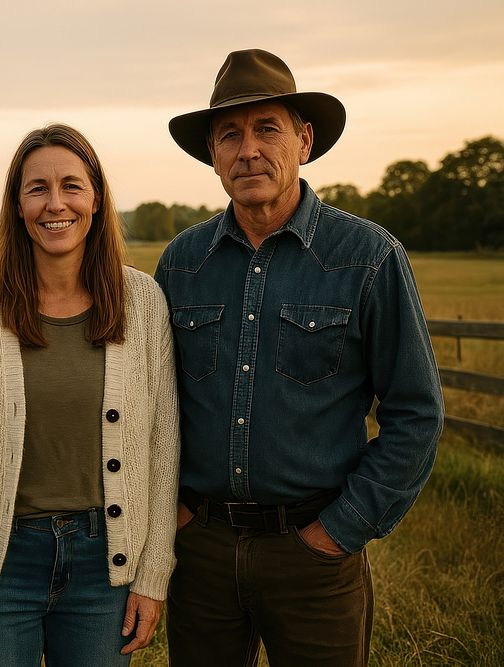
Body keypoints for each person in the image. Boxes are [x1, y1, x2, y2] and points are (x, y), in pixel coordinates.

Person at [155, 49, 444, 666]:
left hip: (313, 555)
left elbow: (415, 411)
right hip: (199, 551)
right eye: (229, 135)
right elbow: (153, 404)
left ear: (304, 141)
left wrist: (339, 531)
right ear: (212, 154)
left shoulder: (367, 257)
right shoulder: (182, 263)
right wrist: (176, 514)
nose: (247, 149)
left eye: (267, 129)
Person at [0, 123, 179, 666]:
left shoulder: (144, 303)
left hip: (105, 566)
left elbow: (162, 448)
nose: (55, 203)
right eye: (37, 188)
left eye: (71, 185)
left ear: (96, 198)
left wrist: (153, 573)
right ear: (17, 205)